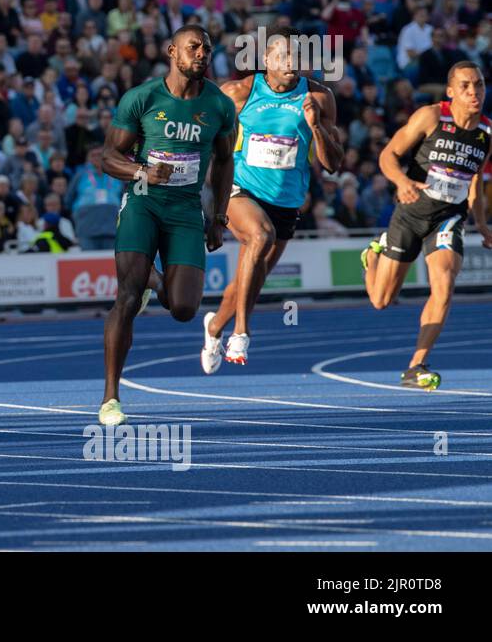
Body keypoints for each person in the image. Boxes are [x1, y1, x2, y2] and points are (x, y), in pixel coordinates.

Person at [97, 26, 236, 426]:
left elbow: (225, 162)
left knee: (184, 309)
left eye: (207, 49)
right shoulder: (142, 98)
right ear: (172, 52)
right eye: (194, 47)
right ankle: (110, 398)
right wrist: (142, 170)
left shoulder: (220, 106)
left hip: (186, 210)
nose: (202, 54)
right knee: (125, 296)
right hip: (143, 202)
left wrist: (219, 218)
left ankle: (154, 284)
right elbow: (107, 157)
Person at [201, 27, 343, 370]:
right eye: (283, 57)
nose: (291, 64)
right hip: (240, 191)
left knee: (252, 277)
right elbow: (208, 146)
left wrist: (316, 128)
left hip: (286, 201)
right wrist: (210, 197)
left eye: (297, 58)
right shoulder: (238, 92)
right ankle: (241, 333)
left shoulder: (319, 97)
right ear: (266, 60)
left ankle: (215, 326)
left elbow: (333, 163)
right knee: (259, 236)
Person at [361, 62, 492, 389]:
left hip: (448, 217)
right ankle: (372, 256)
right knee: (381, 300)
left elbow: (474, 181)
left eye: (478, 85)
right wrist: (402, 181)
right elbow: (388, 155)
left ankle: (416, 366)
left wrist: (482, 224)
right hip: (411, 212)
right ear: (451, 92)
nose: (473, 92)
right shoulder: (431, 116)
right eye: (465, 86)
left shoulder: (486, 133)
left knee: (444, 286)